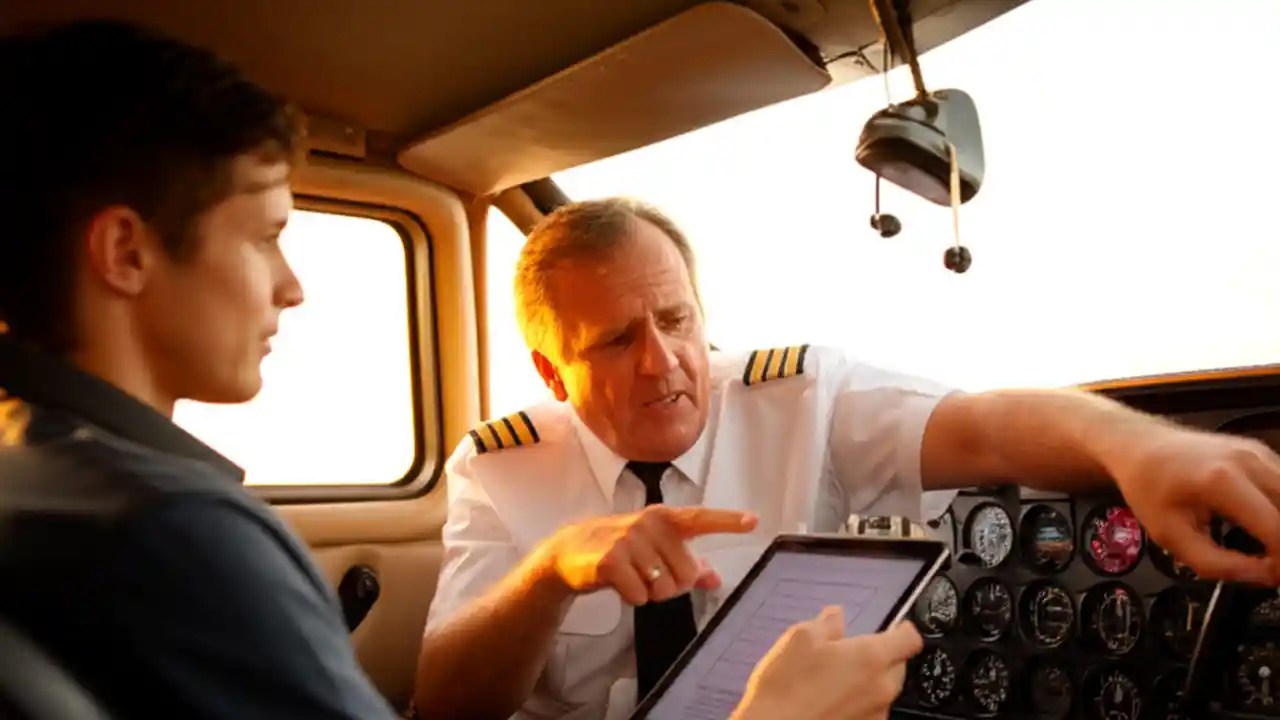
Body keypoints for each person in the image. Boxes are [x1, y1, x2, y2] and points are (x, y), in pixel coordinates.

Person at [0, 19, 918, 720]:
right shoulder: (177, 534)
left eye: (675, 320)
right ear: (124, 252)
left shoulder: (44, 485)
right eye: (267, 237)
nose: (292, 287)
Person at [417, 196, 1280, 719]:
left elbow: (983, 427)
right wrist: (550, 571)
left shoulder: (798, 399)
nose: (661, 360)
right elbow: (450, 704)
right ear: (549, 369)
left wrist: (1140, 444)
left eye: (676, 320)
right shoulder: (501, 467)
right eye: (614, 340)